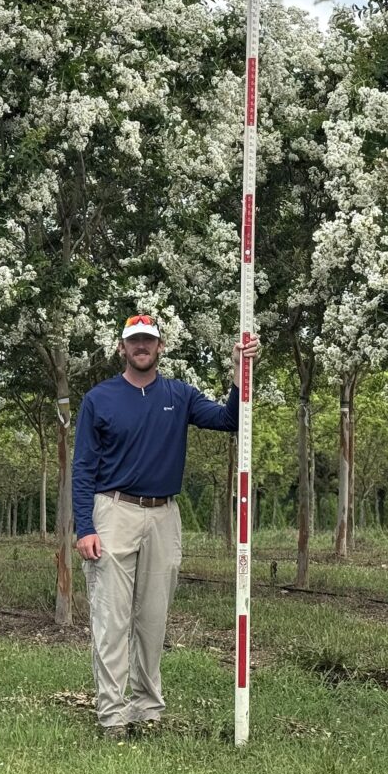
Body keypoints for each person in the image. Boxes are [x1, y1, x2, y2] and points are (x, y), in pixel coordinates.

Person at [73, 313, 260, 739]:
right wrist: (84, 527)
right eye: (134, 341)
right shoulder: (99, 399)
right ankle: (112, 716)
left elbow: (228, 419)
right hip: (113, 511)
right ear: (122, 347)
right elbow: (83, 468)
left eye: (149, 341)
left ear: (160, 348)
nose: (141, 347)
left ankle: (147, 709)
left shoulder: (179, 394)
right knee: (111, 619)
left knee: (152, 619)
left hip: (163, 515)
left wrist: (238, 368)